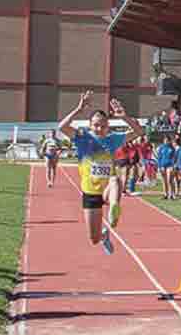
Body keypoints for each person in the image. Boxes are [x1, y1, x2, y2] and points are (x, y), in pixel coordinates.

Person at [59, 91, 144, 254]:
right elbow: (62, 127)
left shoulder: (112, 139)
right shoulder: (82, 138)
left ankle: (114, 207)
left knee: (115, 180)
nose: (99, 128)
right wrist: (78, 110)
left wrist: (124, 117)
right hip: (90, 192)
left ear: (108, 126)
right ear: (90, 125)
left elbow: (139, 132)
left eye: (103, 126)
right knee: (94, 239)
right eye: (96, 125)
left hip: (108, 189)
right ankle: (104, 235)